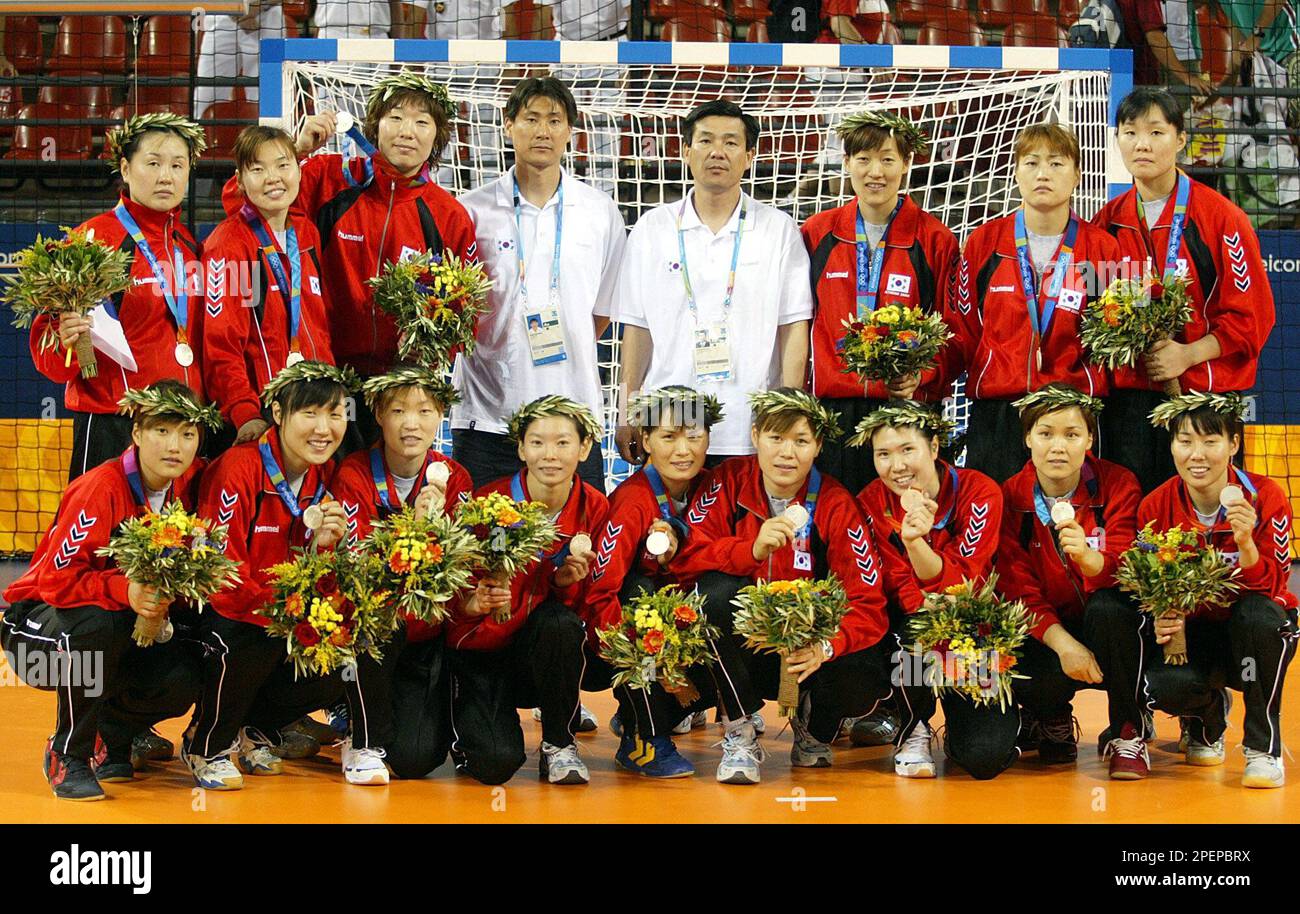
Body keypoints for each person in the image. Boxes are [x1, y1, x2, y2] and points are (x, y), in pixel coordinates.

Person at [0, 382, 216, 800]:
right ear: (136, 433)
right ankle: (68, 754)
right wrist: (125, 589)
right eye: (162, 431)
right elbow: (55, 583)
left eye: (188, 434)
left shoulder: (187, 489)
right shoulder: (101, 488)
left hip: (118, 630)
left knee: (184, 673)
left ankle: (111, 735)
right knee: (93, 622)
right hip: (35, 635)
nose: (175, 446)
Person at [675, 388, 892, 783]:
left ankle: (815, 727)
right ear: (755, 436)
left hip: (810, 653)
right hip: (743, 650)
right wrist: (750, 550)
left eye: (801, 441)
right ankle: (739, 728)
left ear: (819, 445)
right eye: (776, 438)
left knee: (865, 670)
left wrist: (827, 647)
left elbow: (868, 601)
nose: (787, 453)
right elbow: (687, 553)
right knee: (711, 597)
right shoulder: (726, 482)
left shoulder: (837, 503)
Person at [238, 71, 479, 390]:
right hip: (323, 374)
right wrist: (296, 153)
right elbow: (241, 207)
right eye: (395, 118)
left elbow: (465, 313)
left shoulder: (450, 215)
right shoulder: (329, 179)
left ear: (437, 137)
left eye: (421, 122)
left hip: (404, 385)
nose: (407, 132)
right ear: (375, 127)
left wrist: (427, 355)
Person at [1092, 87, 1275, 494]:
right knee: (1135, 523)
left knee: (1208, 522)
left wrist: (1187, 354)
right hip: (1130, 409)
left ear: (1180, 139)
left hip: (1204, 398)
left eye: (1156, 132)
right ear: (1116, 139)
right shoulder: (1105, 225)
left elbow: (1253, 319)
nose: (1142, 143)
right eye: (1130, 132)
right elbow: (1094, 316)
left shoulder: (1223, 219)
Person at [614, 99, 812, 466]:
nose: (717, 152)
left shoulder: (778, 229)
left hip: (750, 425)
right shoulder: (651, 228)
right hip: (670, 425)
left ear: (750, 155)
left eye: (731, 142)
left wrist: (785, 414)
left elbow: (794, 327)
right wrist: (627, 409)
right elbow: (637, 329)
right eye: (705, 141)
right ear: (687, 151)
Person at [185, 361, 354, 790]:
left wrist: (325, 552)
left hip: (279, 613)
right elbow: (218, 574)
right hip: (224, 616)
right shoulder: (238, 468)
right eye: (309, 414)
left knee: (343, 644)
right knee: (251, 636)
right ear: (277, 414)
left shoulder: (327, 475)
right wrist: (281, 608)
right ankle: (206, 743)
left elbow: (318, 572)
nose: (323, 428)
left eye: (334, 414)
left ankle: (257, 727)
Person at [453, 77, 626, 491]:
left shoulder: (600, 212)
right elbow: (454, 309)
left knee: (577, 551)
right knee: (480, 550)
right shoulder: (470, 211)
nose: (543, 131)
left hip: (572, 420)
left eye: (554, 120)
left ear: (570, 131)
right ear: (508, 126)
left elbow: (602, 311)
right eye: (530, 119)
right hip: (487, 417)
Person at [33, 114, 208, 481]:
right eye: (154, 163)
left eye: (178, 165)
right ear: (126, 169)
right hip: (113, 427)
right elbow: (52, 359)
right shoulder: (91, 242)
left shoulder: (190, 246)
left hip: (181, 430)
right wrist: (63, 338)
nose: (167, 176)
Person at [445, 396, 609, 785]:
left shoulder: (595, 508)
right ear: (520, 448)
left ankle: (558, 743)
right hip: (481, 651)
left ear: (585, 448)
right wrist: (473, 604)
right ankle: (459, 726)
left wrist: (564, 586)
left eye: (563, 442)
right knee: (495, 765)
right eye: (537, 442)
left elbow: (589, 599)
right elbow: (450, 597)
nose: (549, 455)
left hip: (534, 653)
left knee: (561, 624)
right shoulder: (486, 505)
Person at [948, 123, 1123, 484]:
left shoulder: (1101, 249)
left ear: (1077, 175)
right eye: (1031, 162)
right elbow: (962, 327)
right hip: (998, 412)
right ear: (1015, 172)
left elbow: (1112, 335)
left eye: (1057, 164)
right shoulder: (985, 242)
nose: (1043, 174)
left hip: (1071, 415)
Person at [1139, 392, 1296, 788]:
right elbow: (1155, 586)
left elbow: (1271, 589)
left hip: (1253, 636)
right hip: (1197, 632)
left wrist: (1246, 544)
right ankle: (1207, 716)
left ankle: (1263, 747)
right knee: (1163, 685)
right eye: (1185, 441)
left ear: (1233, 445)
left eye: (1210, 442)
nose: (1197, 454)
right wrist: (1162, 615)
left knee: (1259, 616)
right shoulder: (1155, 507)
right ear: (1172, 444)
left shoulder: (1267, 497)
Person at [995, 384, 1151, 779]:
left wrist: (1088, 558)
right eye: (1046, 434)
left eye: (1072, 434)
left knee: (1111, 609)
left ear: (1090, 439)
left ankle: (1128, 730)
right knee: (1021, 655)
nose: (1058, 447)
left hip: (1109, 622)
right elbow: (1018, 590)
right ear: (1028, 438)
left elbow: (1127, 569)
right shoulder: (1010, 496)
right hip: (1053, 628)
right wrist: (1064, 645)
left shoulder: (1118, 483)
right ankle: (1051, 718)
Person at [848, 400, 1009, 779]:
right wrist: (921, 579)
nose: (897, 466)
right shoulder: (870, 502)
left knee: (984, 757)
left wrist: (919, 545)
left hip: (970, 627)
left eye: (908, 450)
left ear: (934, 448)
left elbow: (965, 580)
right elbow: (894, 580)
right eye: (883, 454)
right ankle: (912, 725)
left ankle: (962, 722)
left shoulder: (980, 492)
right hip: (909, 625)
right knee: (906, 630)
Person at [802, 109, 959, 494]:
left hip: (908, 409)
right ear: (846, 163)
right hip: (835, 412)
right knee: (838, 521)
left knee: (907, 522)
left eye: (888, 159)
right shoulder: (816, 233)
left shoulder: (936, 239)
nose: (876, 172)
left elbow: (957, 329)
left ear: (906, 163)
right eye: (864, 159)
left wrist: (923, 377)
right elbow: (798, 322)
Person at [331, 365, 474, 784]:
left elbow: (460, 571)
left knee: (415, 761)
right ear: (377, 413)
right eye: (398, 411)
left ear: (441, 415)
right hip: (374, 629)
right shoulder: (353, 474)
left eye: (425, 411)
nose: (412, 423)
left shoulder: (457, 478)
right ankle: (361, 740)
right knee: (373, 622)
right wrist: (411, 527)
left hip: (426, 637)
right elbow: (358, 568)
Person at [585, 386, 725, 777]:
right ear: (645, 440)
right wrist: (648, 670)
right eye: (668, 437)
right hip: (627, 638)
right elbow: (601, 595)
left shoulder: (716, 485)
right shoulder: (631, 502)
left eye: (694, 435)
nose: (683, 450)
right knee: (640, 597)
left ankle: (648, 710)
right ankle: (643, 732)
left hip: (685, 630)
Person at [201, 125, 334, 448]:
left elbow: (320, 325)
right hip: (261, 413)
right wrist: (245, 412)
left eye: (283, 165)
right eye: (257, 169)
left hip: (318, 407)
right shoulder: (229, 246)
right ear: (241, 181)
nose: (273, 177)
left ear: (298, 172)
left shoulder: (306, 234)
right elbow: (222, 344)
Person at [194, 1, 283, 121]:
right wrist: (237, 11)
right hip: (221, 15)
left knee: (267, 99)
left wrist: (251, 9)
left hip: (267, 16)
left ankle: (269, 138)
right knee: (206, 95)